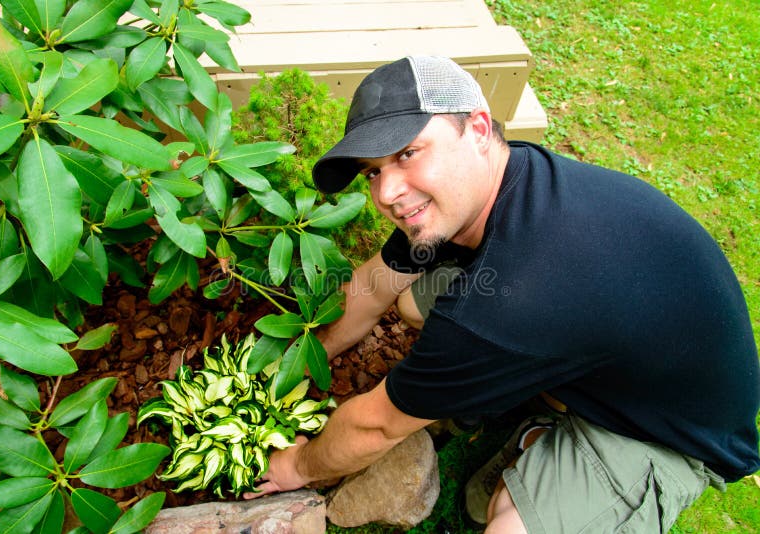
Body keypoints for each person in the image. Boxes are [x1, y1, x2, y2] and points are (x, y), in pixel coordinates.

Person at [245, 56, 760, 533]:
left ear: (479, 128)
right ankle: (543, 410)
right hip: (628, 353)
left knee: (502, 521)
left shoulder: (508, 300)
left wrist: (298, 464)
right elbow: (374, 285)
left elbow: (377, 427)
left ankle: (548, 438)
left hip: (674, 435)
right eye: (374, 171)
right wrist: (286, 367)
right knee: (409, 300)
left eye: (408, 153)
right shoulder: (505, 181)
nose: (386, 192)